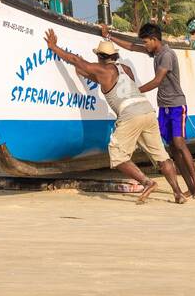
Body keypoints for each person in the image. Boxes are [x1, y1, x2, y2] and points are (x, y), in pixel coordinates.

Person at [44, 29, 186, 204]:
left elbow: (76, 60)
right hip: (147, 111)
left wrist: (54, 47)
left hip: (130, 115)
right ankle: (178, 193)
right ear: (114, 56)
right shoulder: (125, 69)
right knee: (162, 156)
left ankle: (146, 182)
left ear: (100, 57)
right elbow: (111, 84)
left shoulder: (101, 70)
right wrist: (85, 72)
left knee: (117, 154)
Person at [138, 22, 195, 199]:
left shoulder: (166, 54)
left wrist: (136, 91)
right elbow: (132, 47)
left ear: (154, 39)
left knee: (179, 143)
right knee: (173, 148)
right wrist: (109, 37)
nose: (144, 46)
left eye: (145, 42)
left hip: (176, 105)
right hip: (164, 107)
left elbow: (157, 80)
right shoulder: (156, 53)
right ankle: (191, 187)